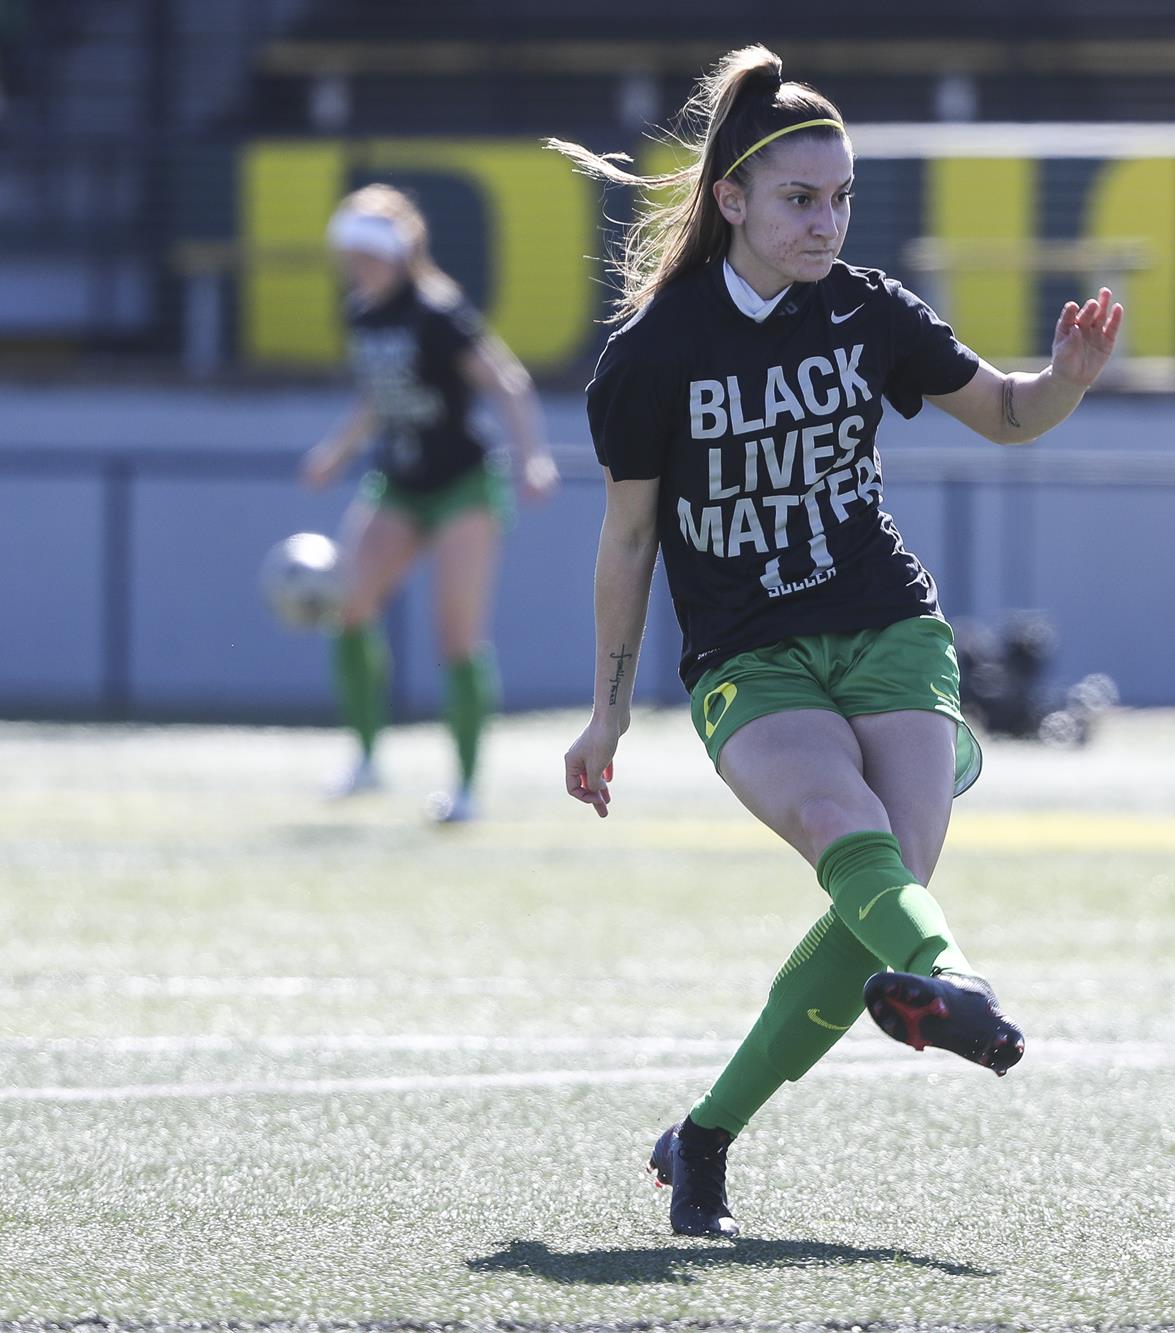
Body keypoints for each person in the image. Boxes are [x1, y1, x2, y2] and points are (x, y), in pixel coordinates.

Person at [549, 45, 1122, 1239]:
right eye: (801, 199)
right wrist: (608, 708)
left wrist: (1064, 381)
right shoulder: (651, 354)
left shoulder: (868, 309)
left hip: (888, 631)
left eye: (842, 197)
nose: (826, 221)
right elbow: (628, 540)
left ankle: (702, 1137)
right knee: (848, 841)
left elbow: (1008, 413)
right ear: (732, 203)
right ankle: (955, 986)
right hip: (749, 661)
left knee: (885, 886)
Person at [301, 184, 560, 821]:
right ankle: (365, 759)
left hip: (462, 485)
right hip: (398, 480)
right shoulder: (362, 311)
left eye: (368, 252)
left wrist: (533, 455)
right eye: (350, 254)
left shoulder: (437, 312)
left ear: (397, 251)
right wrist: (338, 450)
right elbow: (379, 395)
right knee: (349, 603)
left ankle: (467, 787)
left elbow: (506, 380)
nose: (357, 266)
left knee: (456, 637)